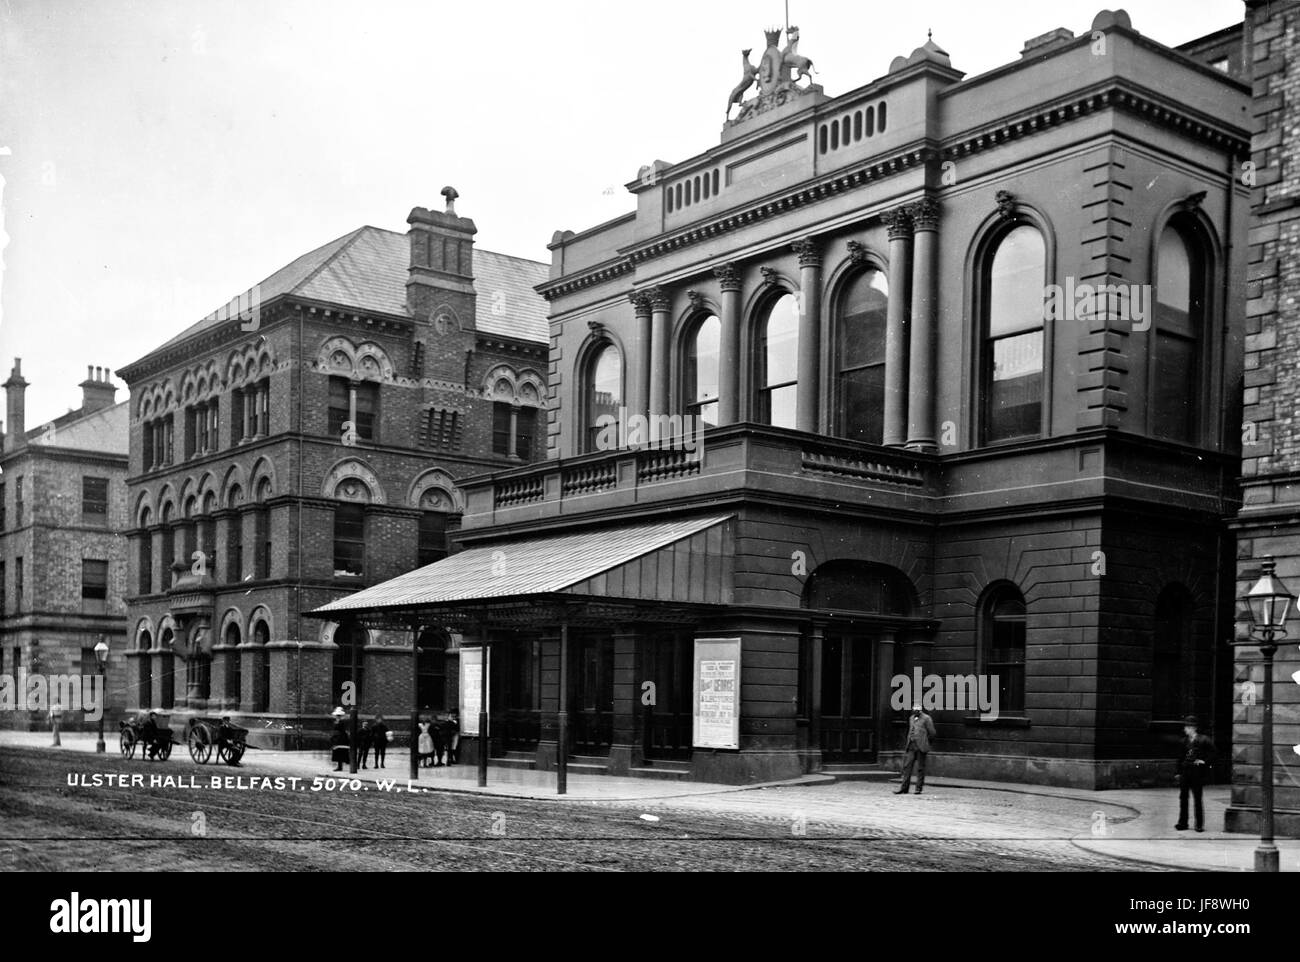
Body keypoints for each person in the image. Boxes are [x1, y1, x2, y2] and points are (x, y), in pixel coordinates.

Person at [1175, 714, 1215, 833]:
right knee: (1183, 799)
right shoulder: (1184, 741)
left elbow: (1214, 754)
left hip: (1197, 774)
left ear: (1193, 728)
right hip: (1185, 773)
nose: (1185, 729)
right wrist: (1178, 772)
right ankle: (1183, 823)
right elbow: (1180, 758)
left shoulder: (1204, 740)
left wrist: (1204, 762)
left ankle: (1199, 825)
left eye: (1186, 727)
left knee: (1197, 799)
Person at [894, 702, 936, 795]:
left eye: (918, 709)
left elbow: (932, 733)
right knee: (907, 767)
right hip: (911, 746)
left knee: (920, 768)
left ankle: (918, 788)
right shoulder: (911, 718)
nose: (916, 711)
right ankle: (904, 788)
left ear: (921, 709)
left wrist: (926, 742)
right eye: (914, 709)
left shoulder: (926, 718)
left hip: (921, 747)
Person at [330, 708, 350, 772]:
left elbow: (343, 730)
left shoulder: (342, 722)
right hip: (337, 737)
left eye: (339, 715)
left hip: (341, 738)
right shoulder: (336, 722)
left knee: (341, 751)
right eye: (337, 715)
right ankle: (339, 766)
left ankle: (341, 766)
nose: (337, 716)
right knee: (338, 752)